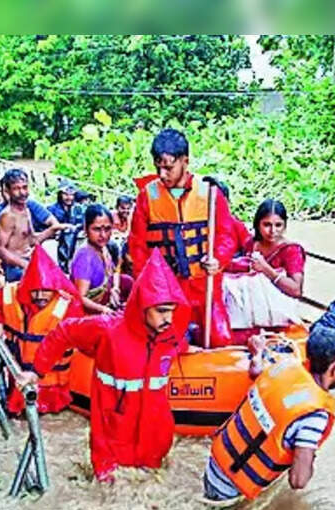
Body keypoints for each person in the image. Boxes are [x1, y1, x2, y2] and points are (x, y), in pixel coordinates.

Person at [29, 251, 190, 482]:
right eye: (162, 311)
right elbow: (64, 332)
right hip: (112, 435)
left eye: (172, 311)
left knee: (153, 488)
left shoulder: (169, 338)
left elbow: (179, 346)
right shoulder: (108, 329)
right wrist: (37, 372)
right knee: (108, 492)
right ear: (143, 306)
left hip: (153, 436)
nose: (169, 319)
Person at [202, 326, 335, 504]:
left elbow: (255, 371)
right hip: (230, 494)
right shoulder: (314, 416)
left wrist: (258, 352)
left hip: (213, 467)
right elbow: (299, 481)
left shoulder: (285, 366)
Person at [128, 128, 241, 347]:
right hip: (167, 291)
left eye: (168, 167)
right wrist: (148, 288)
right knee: (168, 343)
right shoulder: (147, 197)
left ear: (185, 161)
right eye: (158, 167)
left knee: (221, 338)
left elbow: (227, 236)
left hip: (205, 287)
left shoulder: (210, 193)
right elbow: (138, 247)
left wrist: (218, 259)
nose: (162, 174)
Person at [0, 249, 84, 414]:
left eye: (45, 290)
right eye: (34, 290)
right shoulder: (10, 294)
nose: (40, 296)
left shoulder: (69, 306)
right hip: (19, 377)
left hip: (53, 386)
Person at [224, 200, 305, 344]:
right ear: (257, 224)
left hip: (276, 321)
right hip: (246, 318)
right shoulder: (251, 244)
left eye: (278, 225)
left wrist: (267, 270)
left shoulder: (291, 250)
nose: (273, 231)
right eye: (267, 225)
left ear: (285, 225)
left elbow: (296, 290)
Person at [0, 169, 74, 282]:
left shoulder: (26, 211)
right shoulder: (7, 216)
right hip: (15, 269)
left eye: (24, 187)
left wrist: (53, 229)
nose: (22, 192)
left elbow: (32, 240)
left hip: (29, 260)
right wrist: (24, 264)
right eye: (16, 188)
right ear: (7, 190)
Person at [70, 204, 134, 315]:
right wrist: (104, 310)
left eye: (108, 229)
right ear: (86, 229)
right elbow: (80, 298)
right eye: (97, 229)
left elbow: (115, 270)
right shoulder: (85, 257)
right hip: (89, 316)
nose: (103, 235)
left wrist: (115, 287)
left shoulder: (104, 248)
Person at [48, 179, 85, 272]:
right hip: (57, 242)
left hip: (76, 242)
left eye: (71, 194)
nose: (69, 197)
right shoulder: (52, 209)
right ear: (60, 195)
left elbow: (82, 223)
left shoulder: (78, 209)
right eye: (66, 194)